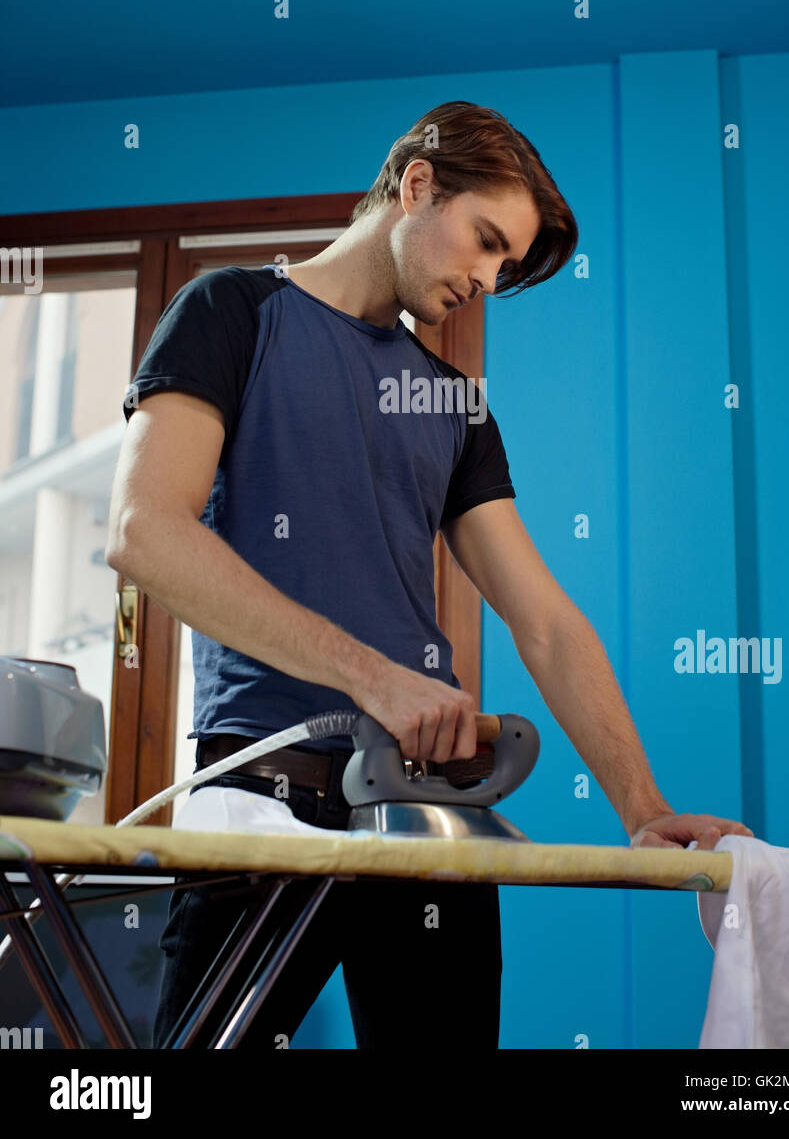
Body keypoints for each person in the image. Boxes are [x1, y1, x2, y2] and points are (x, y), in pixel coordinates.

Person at [106, 100, 753, 1050]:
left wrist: (643, 810)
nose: (485, 280)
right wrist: (372, 676)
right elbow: (143, 534)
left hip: (429, 813)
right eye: (485, 243)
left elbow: (546, 623)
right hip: (264, 799)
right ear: (417, 184)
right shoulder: (232, 312)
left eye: (505, 269)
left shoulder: (452, 402)